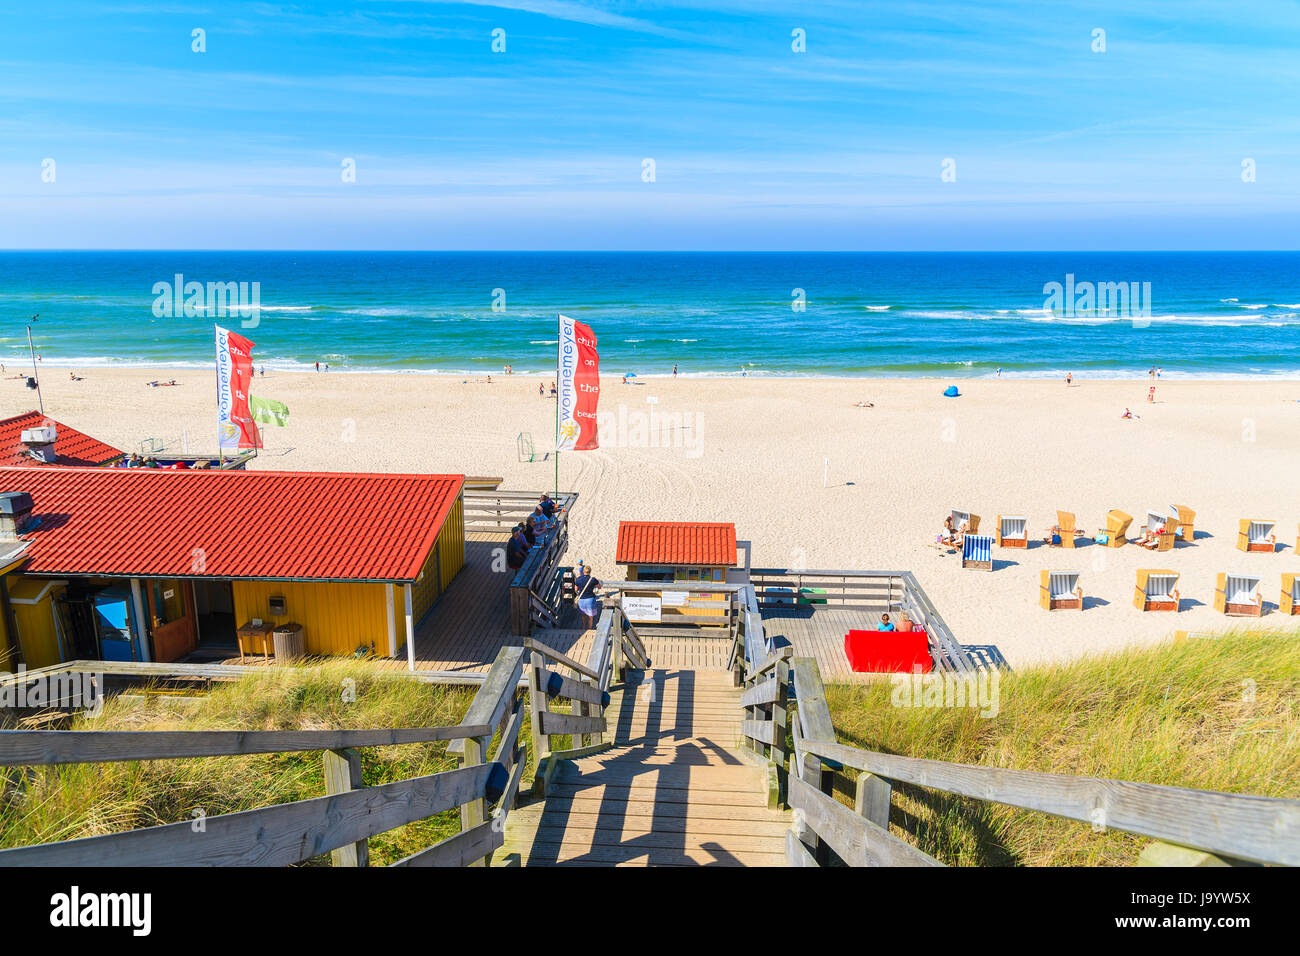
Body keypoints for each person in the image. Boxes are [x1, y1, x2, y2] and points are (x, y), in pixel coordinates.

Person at [574, 563, 600, 628]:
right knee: (590, 617)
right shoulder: (592, 579)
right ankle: (589, 629)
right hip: (590, 599)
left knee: (583, 615)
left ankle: (583, 628)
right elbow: (599, 587)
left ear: (583, 571)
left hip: (581, 599)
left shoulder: (578, 579)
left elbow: (576, 589)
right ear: (590, 571)